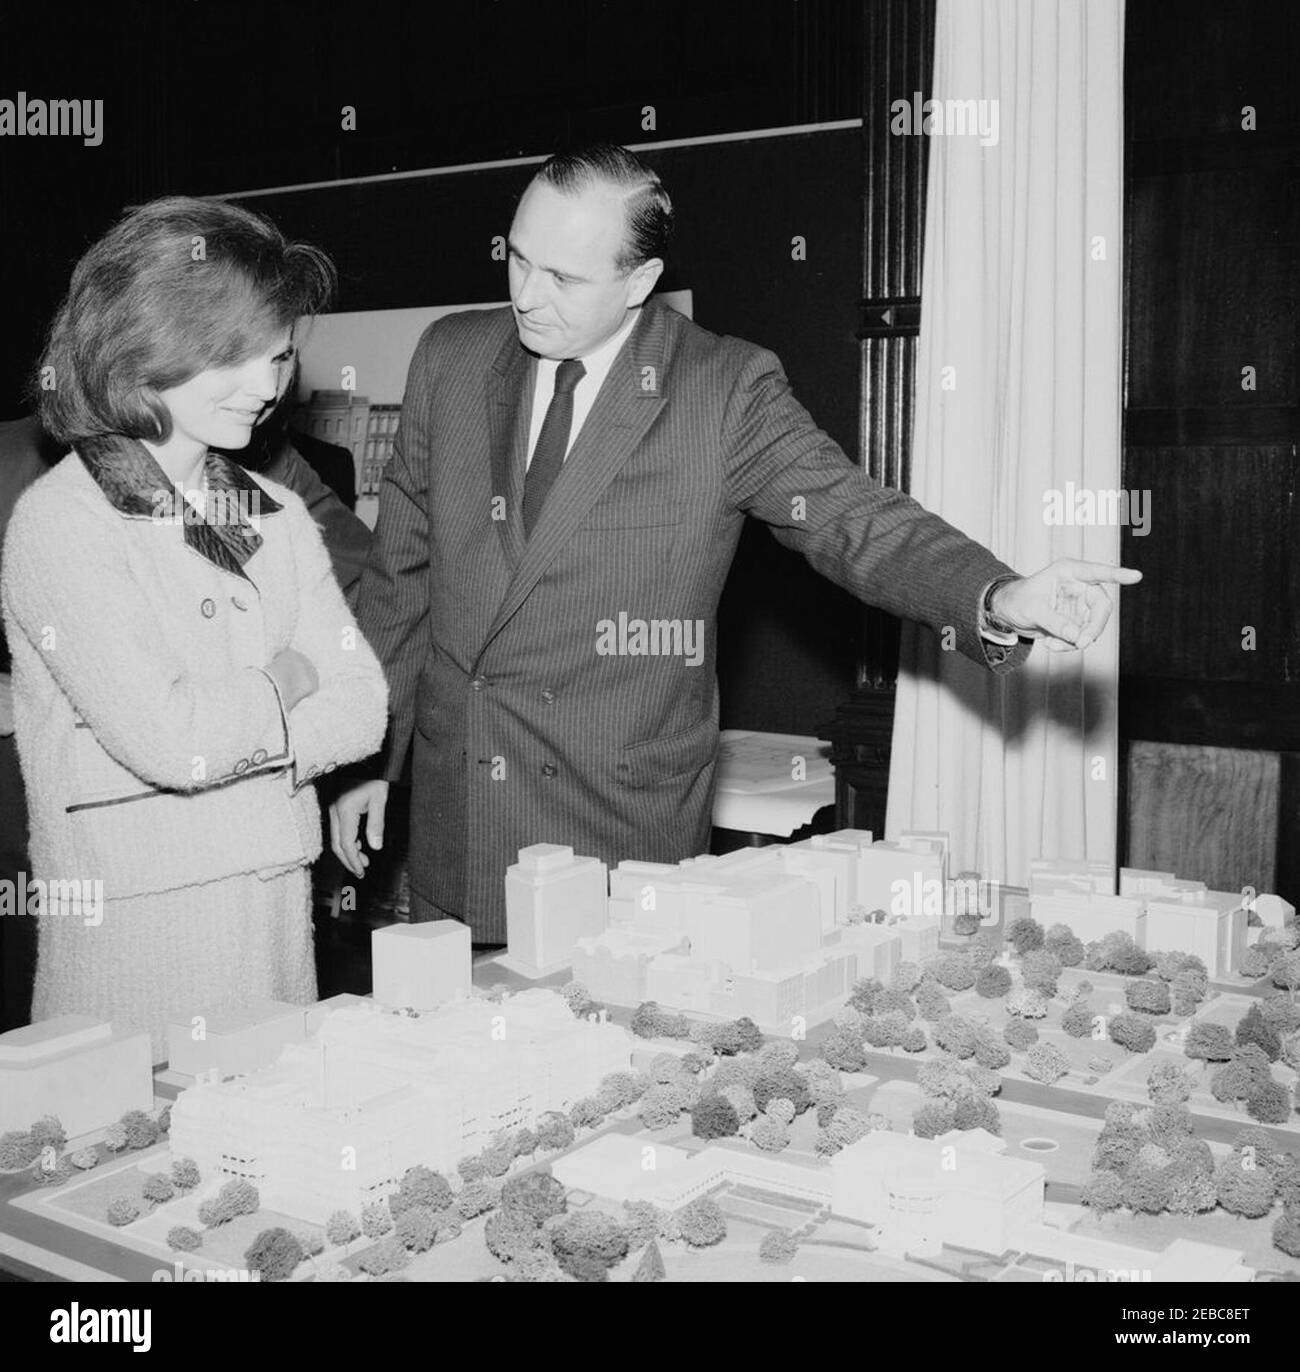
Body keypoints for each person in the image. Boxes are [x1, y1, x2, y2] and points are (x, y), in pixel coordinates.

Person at [332, 142, 1140, 944]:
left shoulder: (722, 390)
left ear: (640, 282)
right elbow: (399, 580)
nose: (526, 296)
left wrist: (995, 594)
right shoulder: (451, 357)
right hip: (456, 821)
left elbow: (849, 516)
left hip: (609, 836)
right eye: (518, 258)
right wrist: (368, 758)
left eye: (565, 278)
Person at [1, 197, 388, 1058]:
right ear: (145, 346)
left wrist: (245, 709)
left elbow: (363, 707)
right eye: (236, 357)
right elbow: (171, 741)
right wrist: (283, 682)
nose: (267, 386)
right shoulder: (62, 523)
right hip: (137, 935)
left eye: (280, 357)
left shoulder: (275, 510)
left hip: (275, 911)